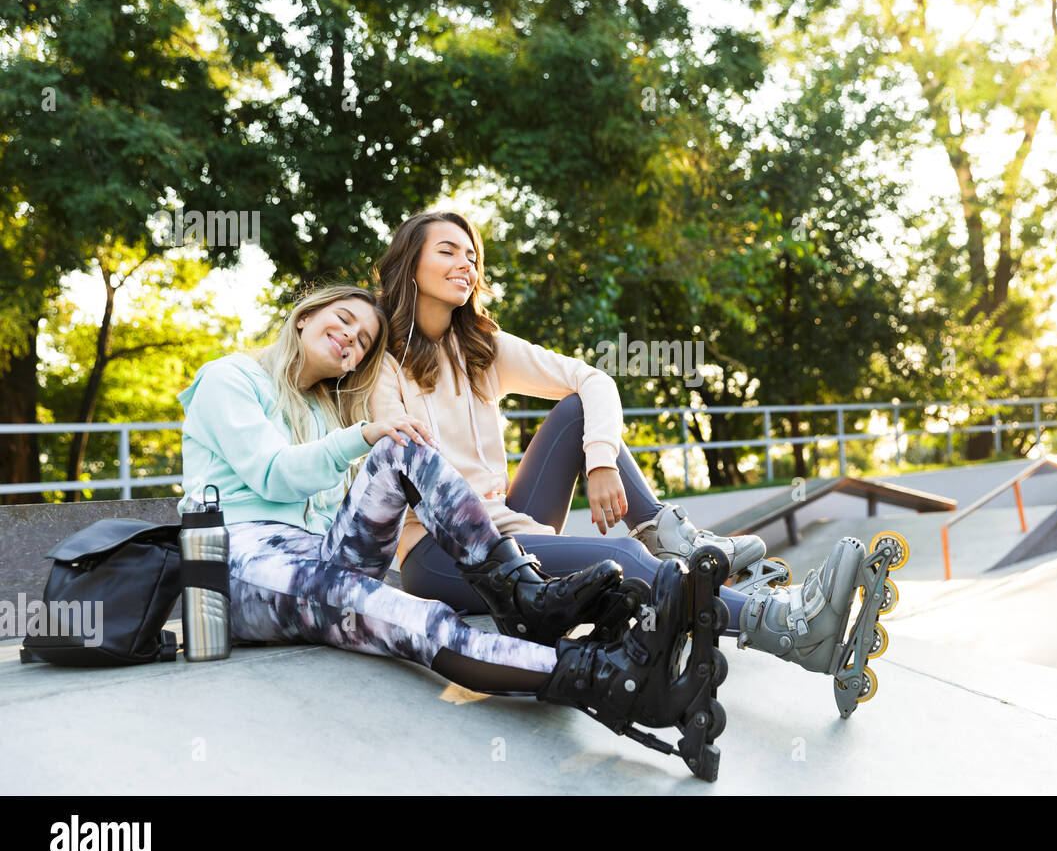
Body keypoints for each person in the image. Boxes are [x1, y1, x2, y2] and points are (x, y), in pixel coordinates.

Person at [176, 284, 727, 778]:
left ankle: (521, 592)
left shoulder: (322, 409)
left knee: (401, 447)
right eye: (344, 320)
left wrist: (377, 441)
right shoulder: (229, 378)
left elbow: (333, 511)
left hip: (317, 559)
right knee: (408, 615)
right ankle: (604, 679)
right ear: (306, 314)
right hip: (243, 568)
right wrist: (363, 434)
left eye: (365, 340)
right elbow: (273, 473)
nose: (352, 339)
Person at [367, 210, 895, 695]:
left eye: (472, 255)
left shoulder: (481, 347)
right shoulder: (382, 359)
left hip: (507, 522)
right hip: (445, 551)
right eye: (448, 251)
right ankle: (787, 628)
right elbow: (393, 448)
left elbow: (592, 378)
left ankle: (668, 538)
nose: (466, 263)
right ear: (410, 263)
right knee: (617, 562)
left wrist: (599, 460)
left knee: (577, 411)